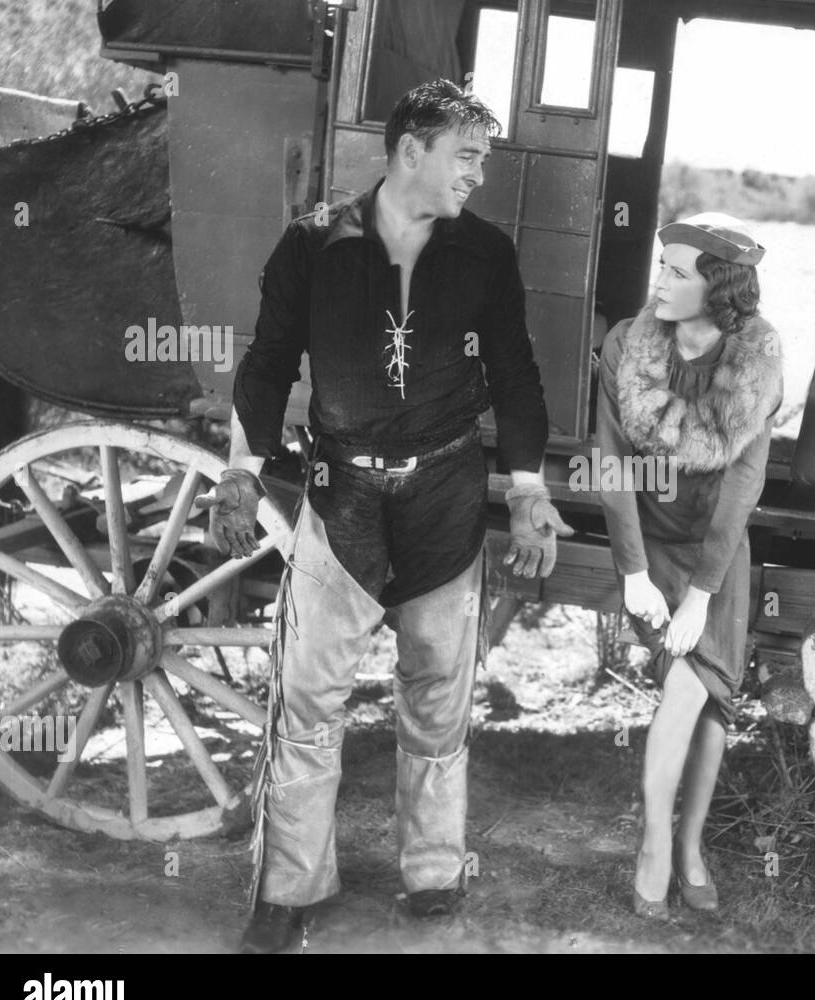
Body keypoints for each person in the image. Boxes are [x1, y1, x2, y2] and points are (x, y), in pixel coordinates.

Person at [195, 79, 572, 953]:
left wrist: (526, 488)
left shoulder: (484, 254)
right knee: (306, 697)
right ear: (411, 151)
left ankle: (435, 871)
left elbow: (514, 373)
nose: (478, 174)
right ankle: (289, 889)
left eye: (482, 158)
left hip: (443, 496)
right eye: (466, 156)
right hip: (341, 500)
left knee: (439, 691)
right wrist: (243, 471)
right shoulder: (315, 245)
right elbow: (266, 362)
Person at [595, 213, 782, 918]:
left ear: (720, 285)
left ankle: (687, 846)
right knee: (686, 686)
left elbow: (744, 484)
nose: (659, 280)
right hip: (649, 541)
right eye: (660, 265)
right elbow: (609, 462)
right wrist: (634, 571)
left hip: (716, 550)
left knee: (703, 695)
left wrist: (703, 594)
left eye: (677, 270)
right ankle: (653, 844)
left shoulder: (757, 359)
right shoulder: (628, 344)